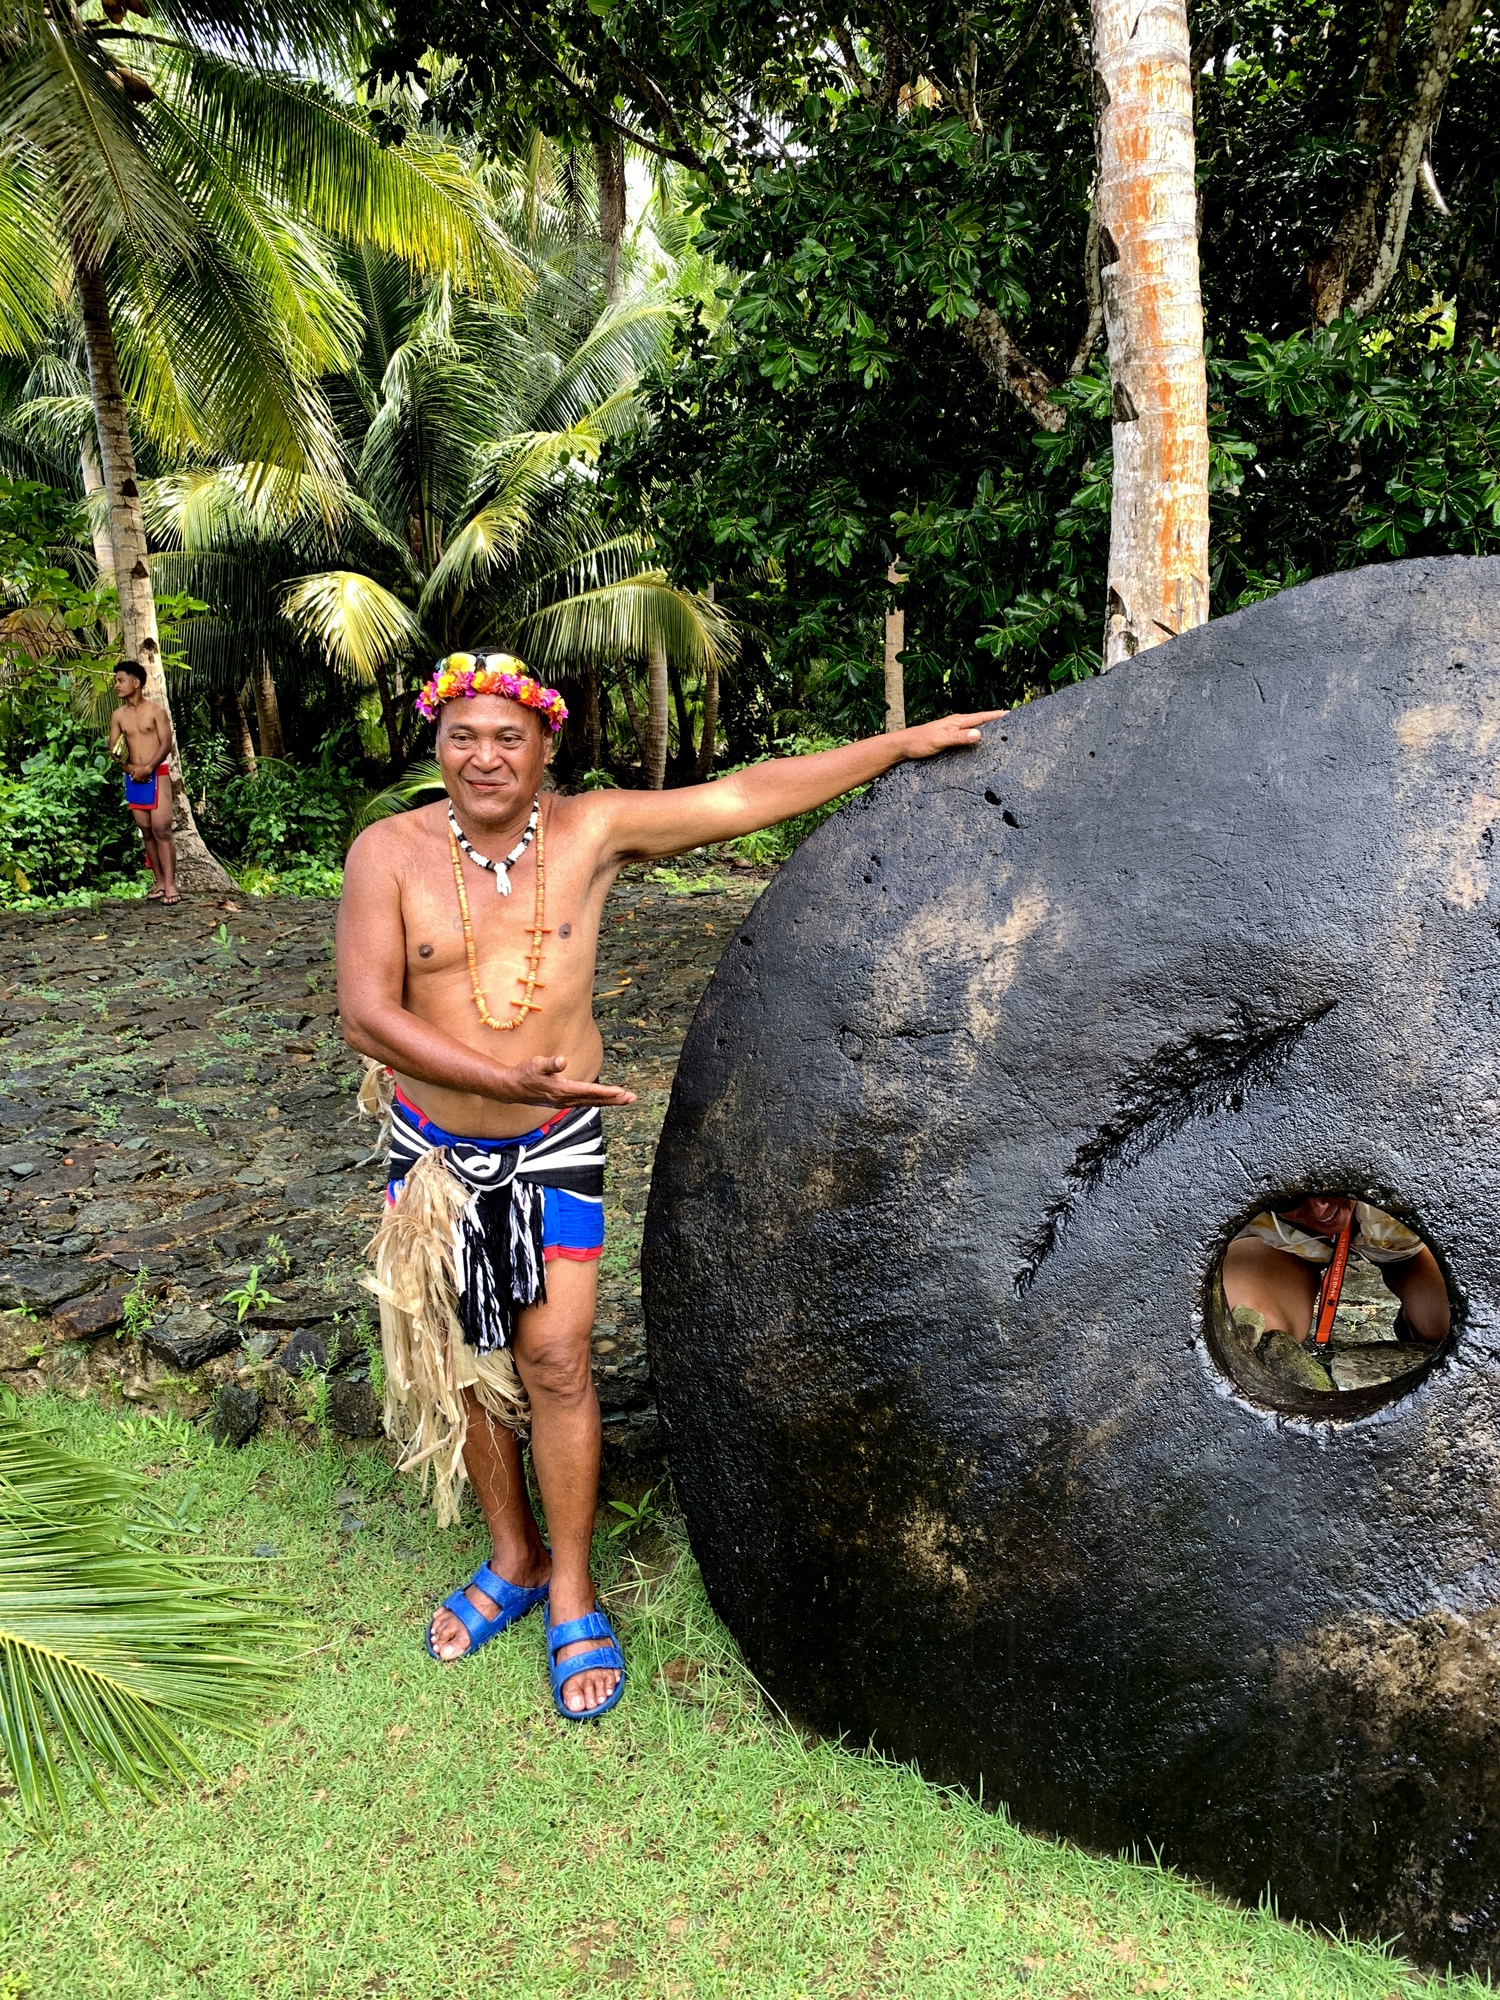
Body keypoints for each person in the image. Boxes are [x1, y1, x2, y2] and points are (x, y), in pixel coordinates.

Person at [337, 649, 1003, 1720]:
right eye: (462, 734)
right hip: (434, 1156)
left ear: (547, 747)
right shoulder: (391, 852)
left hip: (555, 1142)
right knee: (464, 1361)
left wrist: (897, 744)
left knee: (553, 1358)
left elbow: (740, 796)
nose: (484, 755)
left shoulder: (590, 832)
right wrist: (494, 1074)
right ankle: (510, 1555)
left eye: (508, 736)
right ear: (436, 744)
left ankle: (570, 1582)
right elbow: (368, 1015)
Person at [1223, 1194, 1449, 1349]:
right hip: (1281, 1245)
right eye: (1292, 1199)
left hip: (1398, 1248)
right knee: (1247, 1326)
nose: (1320, 1210)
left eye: (1325, 1187)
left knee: (1449, 1321)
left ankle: (1412, 1321)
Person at [108, 657, 178, 906]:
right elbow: (114, 749)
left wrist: (148, 766)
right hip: (133, 777)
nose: (116, 685)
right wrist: (131, 769)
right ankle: (159, 882)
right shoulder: (118, 715)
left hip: (157, 773)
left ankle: (171, 884)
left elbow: (166, 743)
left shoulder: (156, 712)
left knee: (162, 829)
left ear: (135, 682)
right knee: (146, 831)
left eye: (120, 680)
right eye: (115, 681)